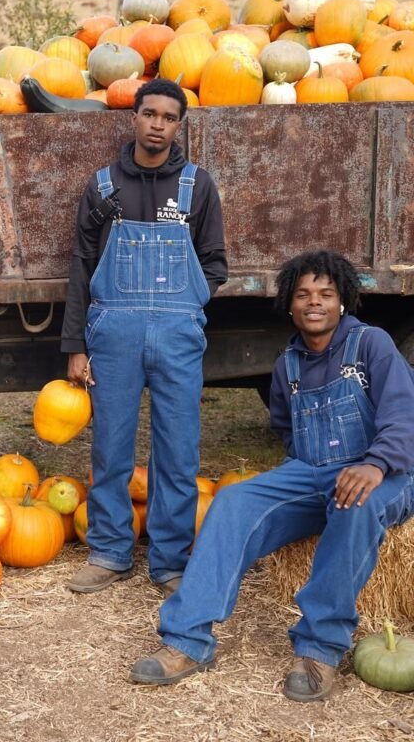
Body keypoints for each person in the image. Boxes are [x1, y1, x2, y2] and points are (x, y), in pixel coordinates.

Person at [130, 250, 414, 702]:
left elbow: (403, 413)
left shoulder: (372, 345)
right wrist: (307, 478)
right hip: (312, 473)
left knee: (356, 502)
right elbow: (285, 427)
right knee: (234, 501)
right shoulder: (288, 366)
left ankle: (319, 649)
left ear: (343, 301)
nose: (314, 302)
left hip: (385, 473)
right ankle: (187, 640)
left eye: (325, 293)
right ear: (289, 304)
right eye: (303, 294)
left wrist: (375, 463)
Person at [61, 78, 227, 595]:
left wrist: (188, 301)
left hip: (178, 331)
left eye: (168, 117)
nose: (157, 124)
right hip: (114, 331)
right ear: (133, 117)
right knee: (110, 445)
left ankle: (170, 559)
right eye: (149, 113)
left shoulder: (197, 186)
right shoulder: (103, 186)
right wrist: (75, 345)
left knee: (178, 449)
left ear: (179, 125)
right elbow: (83, 265)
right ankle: (110, 551)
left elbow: (215, 263)